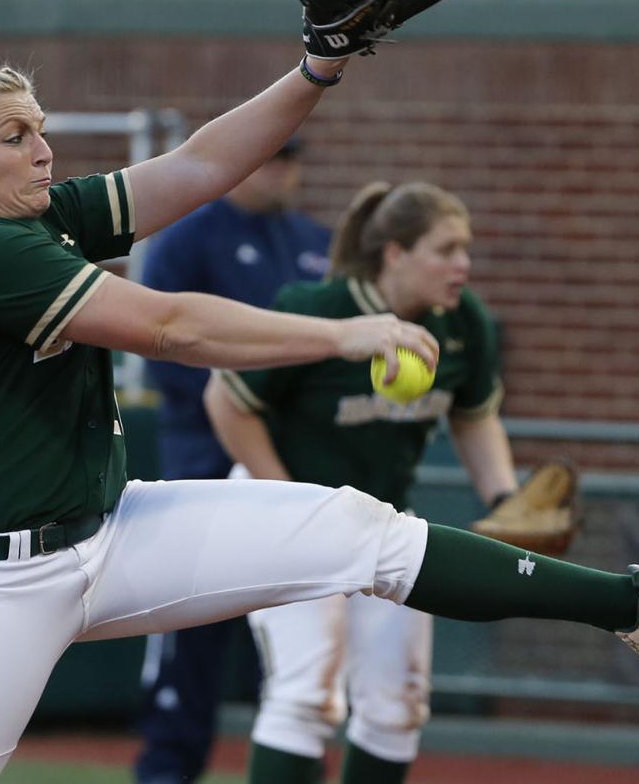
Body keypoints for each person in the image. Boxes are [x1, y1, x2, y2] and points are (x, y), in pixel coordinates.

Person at [0, 52, 639, 784]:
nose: (44, 149)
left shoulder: (43, 220)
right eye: (15, 136)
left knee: (362, 531)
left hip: (108, 533)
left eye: (41, 129)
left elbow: (202, 164)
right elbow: (171, 326)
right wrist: (345, 333)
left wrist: (318, 65)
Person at [202, 181, 542, 783]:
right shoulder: (321, 308)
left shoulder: (464, 322)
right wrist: (290, 502)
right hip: (284, 509)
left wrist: (504, 498)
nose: (463, 264)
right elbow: (226, 402)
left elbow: (474, 417)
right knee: (306, 694)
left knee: (397, 704)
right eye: (446, 249)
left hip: (379, 519)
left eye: (466, 249)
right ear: (395, 253)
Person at [135, 140, 332, 784]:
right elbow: (159, 346)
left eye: (292, 160)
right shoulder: (188, 239)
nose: (283, 172)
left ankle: (297, 763)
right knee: (190, 622)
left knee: (305, 637)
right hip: (204, 464)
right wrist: (247, 403)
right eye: (272, 158)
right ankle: (167, 769)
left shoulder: (312, 242)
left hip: (287, 469)